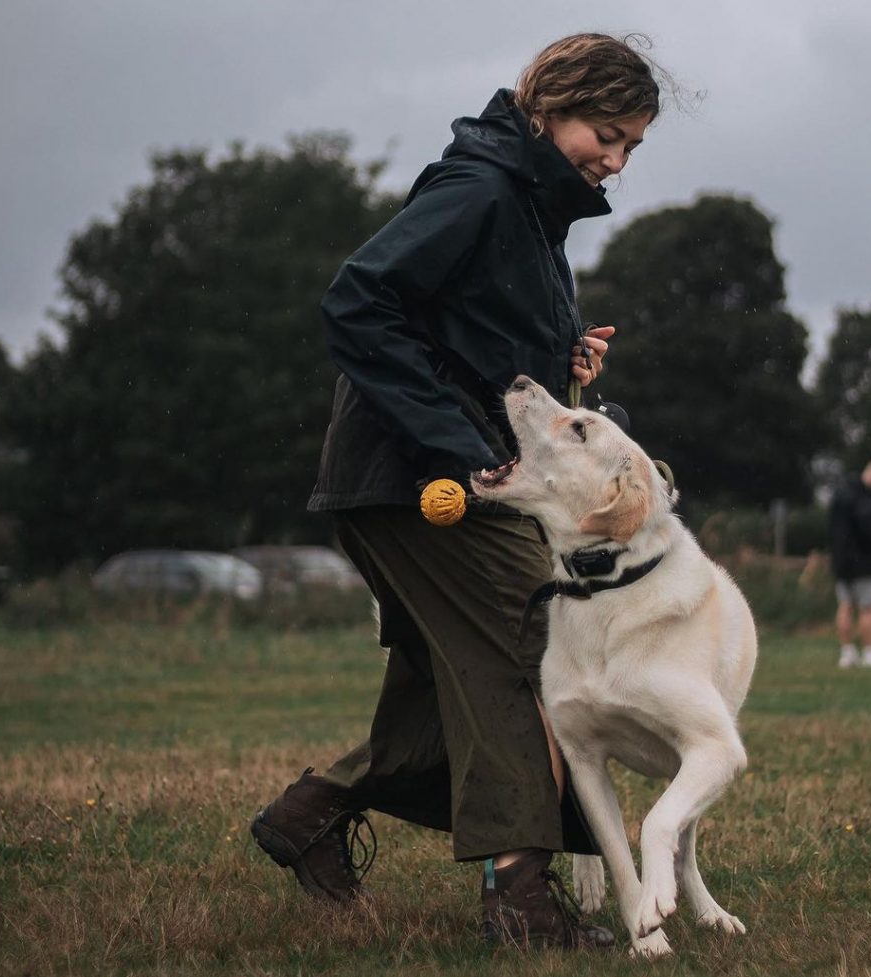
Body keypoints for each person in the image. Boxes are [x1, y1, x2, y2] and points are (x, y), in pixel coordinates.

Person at [250, 34, 665, 949]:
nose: (617, 159)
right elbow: (358, 302)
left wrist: (560, 358)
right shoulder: (479, 189)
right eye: (607, 132)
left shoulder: (531, 208)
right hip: (419, 481)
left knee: (441, 688)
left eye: (632, 145)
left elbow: (469, 342)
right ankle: (520, 900)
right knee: (536, 643)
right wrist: (454, 443)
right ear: (553, 105)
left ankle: (309, 813)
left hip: (443, 473)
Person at [828, 458, 871, 669]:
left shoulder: (840, 493)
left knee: (845, 606)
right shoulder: (864, 497)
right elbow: (865, 526)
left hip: (841, 561)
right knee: (868, 608)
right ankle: (870, 652)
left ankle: (847, 653)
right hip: (864, 562)